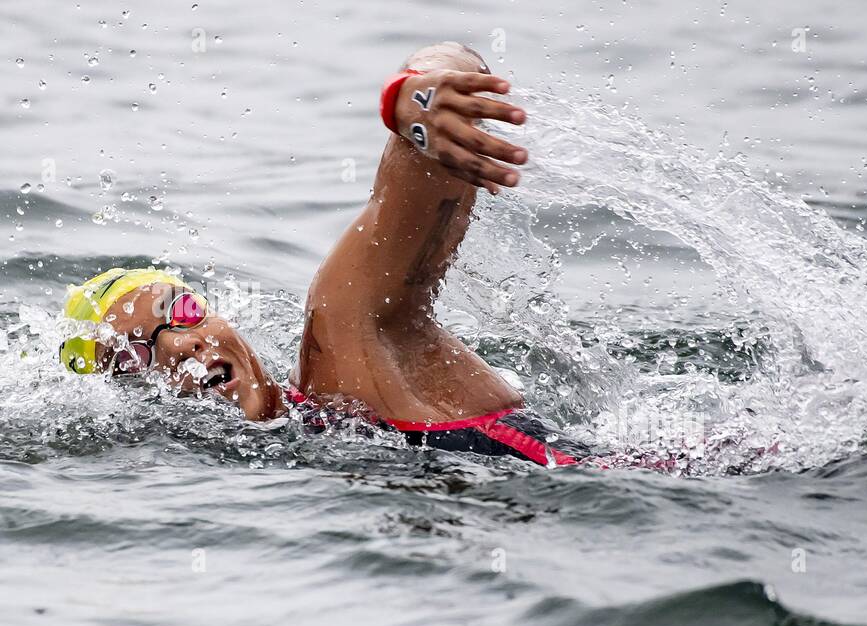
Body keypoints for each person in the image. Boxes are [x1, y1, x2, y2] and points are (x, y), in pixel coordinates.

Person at [56, 42, 580, 467]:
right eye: (135, 354)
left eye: (182, 311)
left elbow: (446, 88)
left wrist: (414, 97)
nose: (181, 344)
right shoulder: (305, 449)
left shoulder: (342, 353)